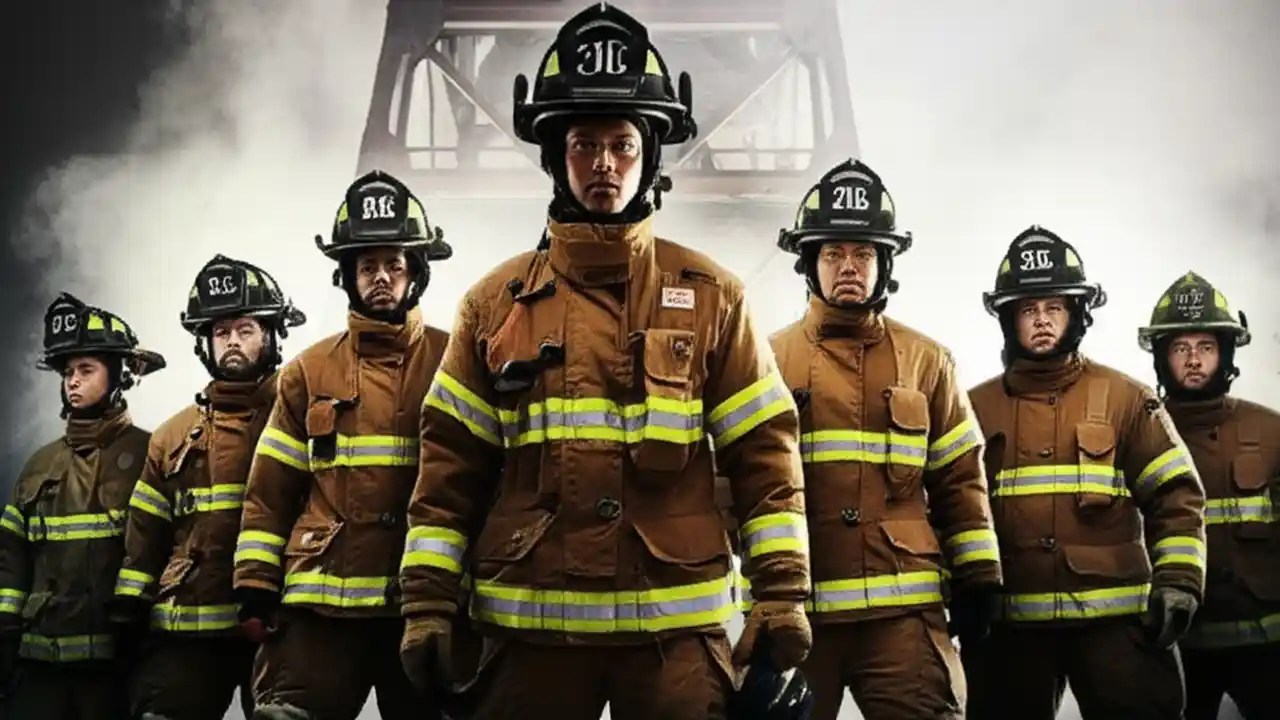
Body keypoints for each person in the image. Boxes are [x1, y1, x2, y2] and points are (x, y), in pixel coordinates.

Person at [397, 5, 811, 719]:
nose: (605, 165)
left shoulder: (713, 296)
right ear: (557, 156)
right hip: (531, 639)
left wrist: (780, 593)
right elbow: (450, 468)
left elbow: (764, 457)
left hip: (673, 640)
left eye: (622, 144)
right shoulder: (492, 304)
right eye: (585, 144)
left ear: (650, 154)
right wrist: (428, 603)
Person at [769, 159, 1000, 719]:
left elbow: (960, 480)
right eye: (833, 253)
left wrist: (979, 578)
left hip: (905, 616)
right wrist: (766, 595)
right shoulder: (768, 359)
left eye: (864, 254)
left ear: (885, 263)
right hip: (803, 614)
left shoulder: (928, 361)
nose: (849, 267)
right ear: (809, 263)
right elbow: (739, 482)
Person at [233, 171, 453, 720]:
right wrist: (256, 583)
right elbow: (271, 489)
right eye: (367, 266)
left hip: (419, 603)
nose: (381, 278)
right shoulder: (309, 369)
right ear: (348, 276)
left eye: (394, 265)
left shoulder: (456, 360)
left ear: (416, 275)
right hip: (321, 608)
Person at [965, 227, 1206, 719]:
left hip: (1116, 628)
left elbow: (1176, 497)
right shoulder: (972, 407)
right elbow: (950, 507)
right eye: (1028, 310)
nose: (1041, 322)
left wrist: (1179, 579)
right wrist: (964, 590)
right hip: (1012, 631)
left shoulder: (1128, 400)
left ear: (1077, 314)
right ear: (1008, 319)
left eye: (1054, 308)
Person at [112, 255, 304, 719]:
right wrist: (130, 606)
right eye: (221, 333)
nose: (232, 342)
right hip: (189, 632)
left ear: (272, 336)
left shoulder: (306, 416)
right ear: (205, 344)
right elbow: (146, 535)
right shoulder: (172, 436)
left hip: (282, 625)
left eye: (245, 329)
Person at [0, 292, 164, 718]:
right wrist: (4, 632)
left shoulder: (153, 455)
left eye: (86, 370)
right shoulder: (40, 464)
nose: (72, 381)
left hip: (117, 671)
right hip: (38, 670)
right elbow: (11, 559)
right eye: (67, 372)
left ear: (120, 375)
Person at [1137, 271, 1279, 720]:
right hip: (1177, 647)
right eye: (1180, 348)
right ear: (1161, 357)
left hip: (1267, 649)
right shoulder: (1136, 434)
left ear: (1227, 353)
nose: (1194, 360)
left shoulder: (1272, 432)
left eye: (1206, 347)